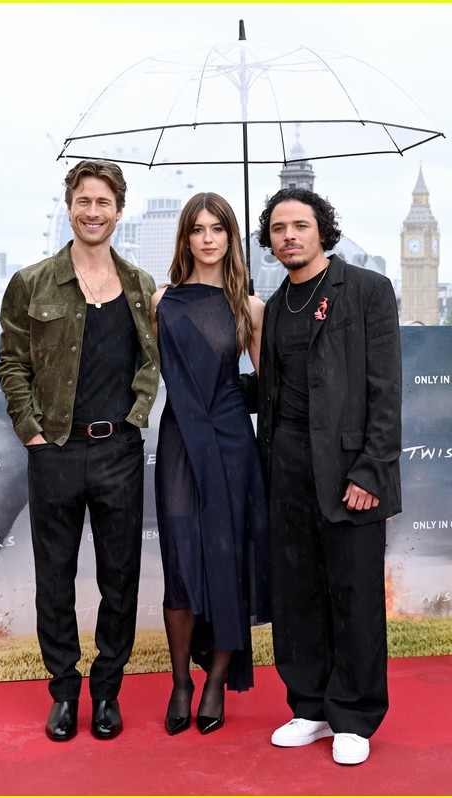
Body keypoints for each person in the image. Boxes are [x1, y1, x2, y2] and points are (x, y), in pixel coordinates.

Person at [0, 159, 159, 743]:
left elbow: (151, 361)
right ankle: (64, 691)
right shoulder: (32, 282)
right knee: (55, 577)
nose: (93, 212)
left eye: (103, 202)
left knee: (121, 577)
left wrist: (136, 417)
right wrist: (32, 432)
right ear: (70, 209)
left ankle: (107, 690)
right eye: (83, 201)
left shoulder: (141, 286)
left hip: (119, 450)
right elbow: (11, 363)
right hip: (56, 451)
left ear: (119, 211)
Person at [254, 187, 402, 766]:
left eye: (300, 225)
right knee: (297, 594)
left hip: (349, 469)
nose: (289, 236)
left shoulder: (366, 290)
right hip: (285, 464)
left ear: (323, 231)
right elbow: (272, 392)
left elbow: (385, 390)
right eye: (278, 228)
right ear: (269, 240)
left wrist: (371, 469)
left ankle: (354, 716)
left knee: (354, 594)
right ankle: (310, 706)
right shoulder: (274, 305)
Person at [150, 192, 269, 737]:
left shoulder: (250, 307)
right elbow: (163, 372)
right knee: (180, 559)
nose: (207, 238)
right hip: (179, 439)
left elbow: (267, 386)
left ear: (230, 237)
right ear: (185, 237)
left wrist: (232, 392)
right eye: (197, 229)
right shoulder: (161, 301)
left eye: (217, 228)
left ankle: (216, 681)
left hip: (231, 443)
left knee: (227, 558)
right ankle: (180, 682)